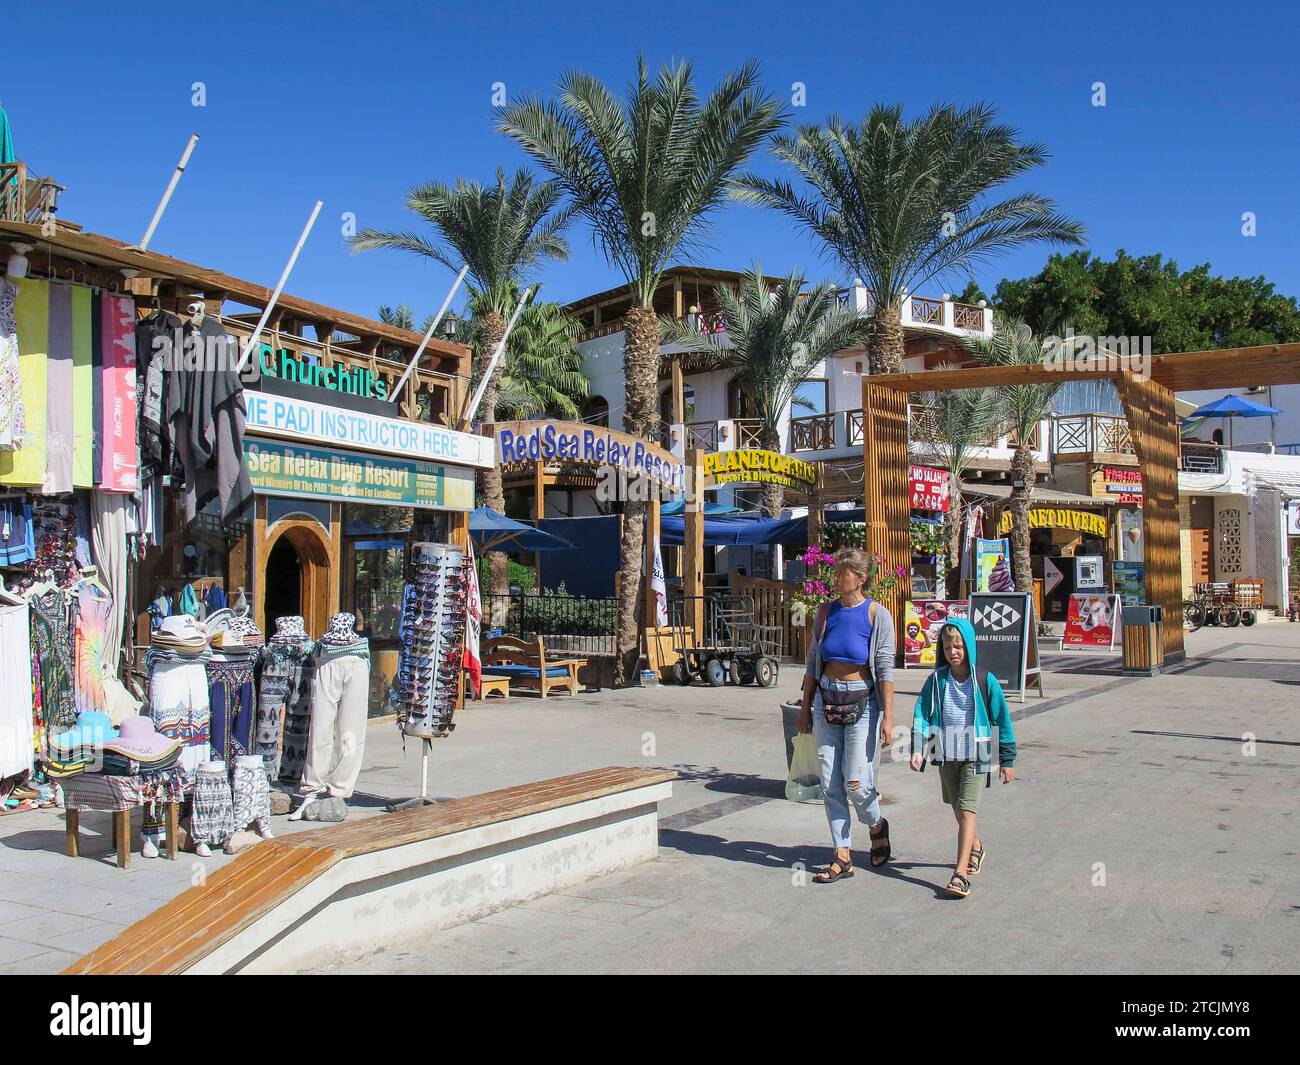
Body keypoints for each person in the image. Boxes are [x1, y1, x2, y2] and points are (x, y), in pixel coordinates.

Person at [797, 548, 896, 883]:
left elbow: (884, 667)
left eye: (843, 573)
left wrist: (890, 717)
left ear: (861, 578)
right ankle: (842, 853)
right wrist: (805, 706)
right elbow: (813, 660)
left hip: (862, 705)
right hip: (827, 701)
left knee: (856, 781)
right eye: (836, 573)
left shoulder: (877, 615)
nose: (836, 579)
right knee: (830, 782)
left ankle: (876, 823)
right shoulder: (826, 612)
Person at [909, 618, 1017, 898]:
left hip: (976, 755)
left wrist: (1007, 760)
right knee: (957, 808)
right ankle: (977, 847)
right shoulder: (936, 680)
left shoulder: (984, 680)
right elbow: (922, 713)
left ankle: (959, 874)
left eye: (958, 646)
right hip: (945, 754)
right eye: (947, 647)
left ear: (969, 646)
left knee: (967, 811)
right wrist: (918, 747)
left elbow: (1003, 720)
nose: (953, 652)